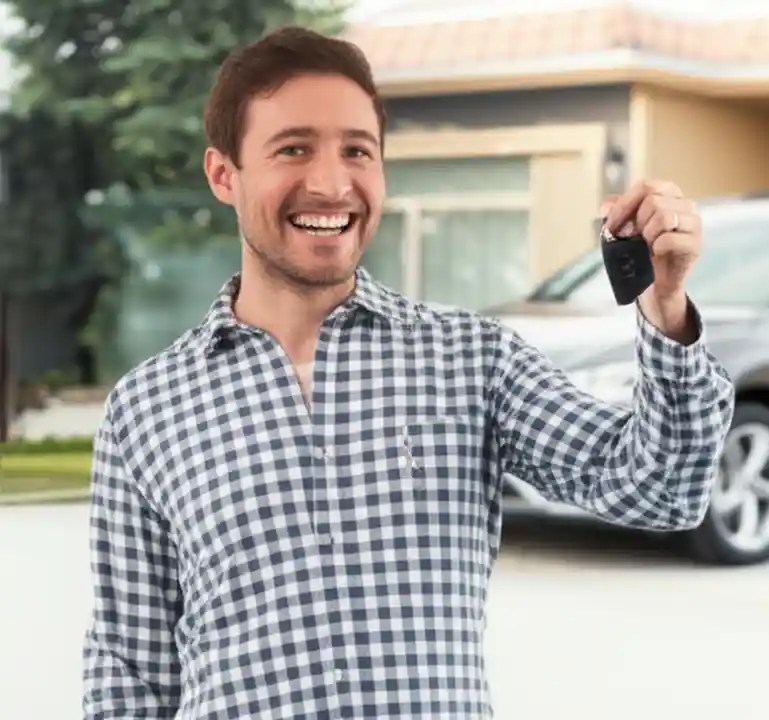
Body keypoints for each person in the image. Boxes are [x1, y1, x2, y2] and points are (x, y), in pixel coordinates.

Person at [80, 25, 734, 720]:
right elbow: (129, 675)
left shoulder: (470, 361)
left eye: (357, 150)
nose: (331, 183)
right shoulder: (146, 410)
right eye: (293, 148)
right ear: (224, 175)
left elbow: (664, 491)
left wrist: (664, 306)